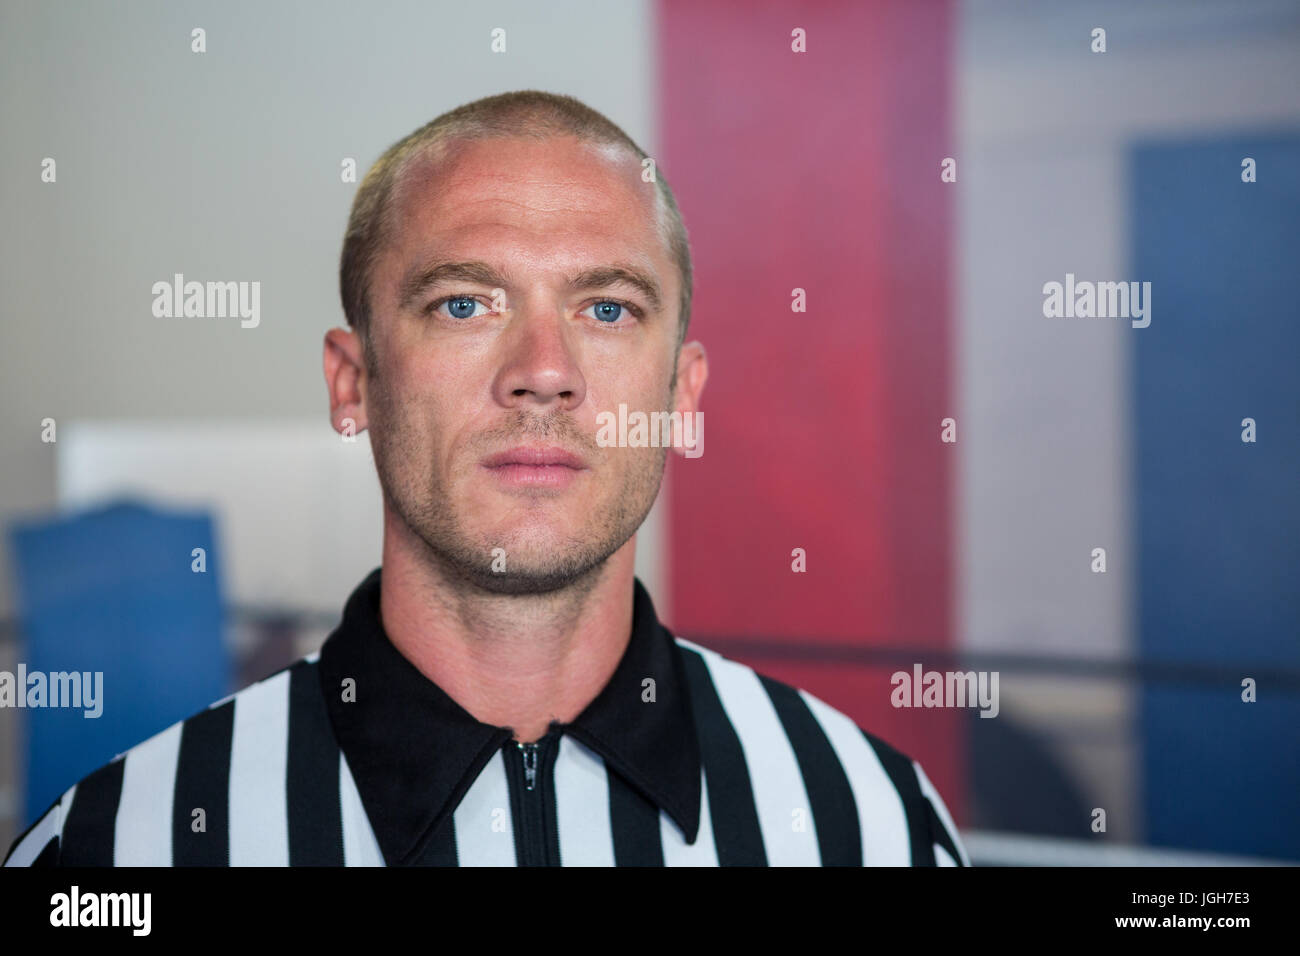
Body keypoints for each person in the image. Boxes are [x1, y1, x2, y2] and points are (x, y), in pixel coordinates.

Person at [4, 90, 968, 867]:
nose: (543, 368)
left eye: (609, 309)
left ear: (681, 394)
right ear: (355, 385)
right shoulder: (116, 848)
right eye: (464, 303)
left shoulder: (871, 823)